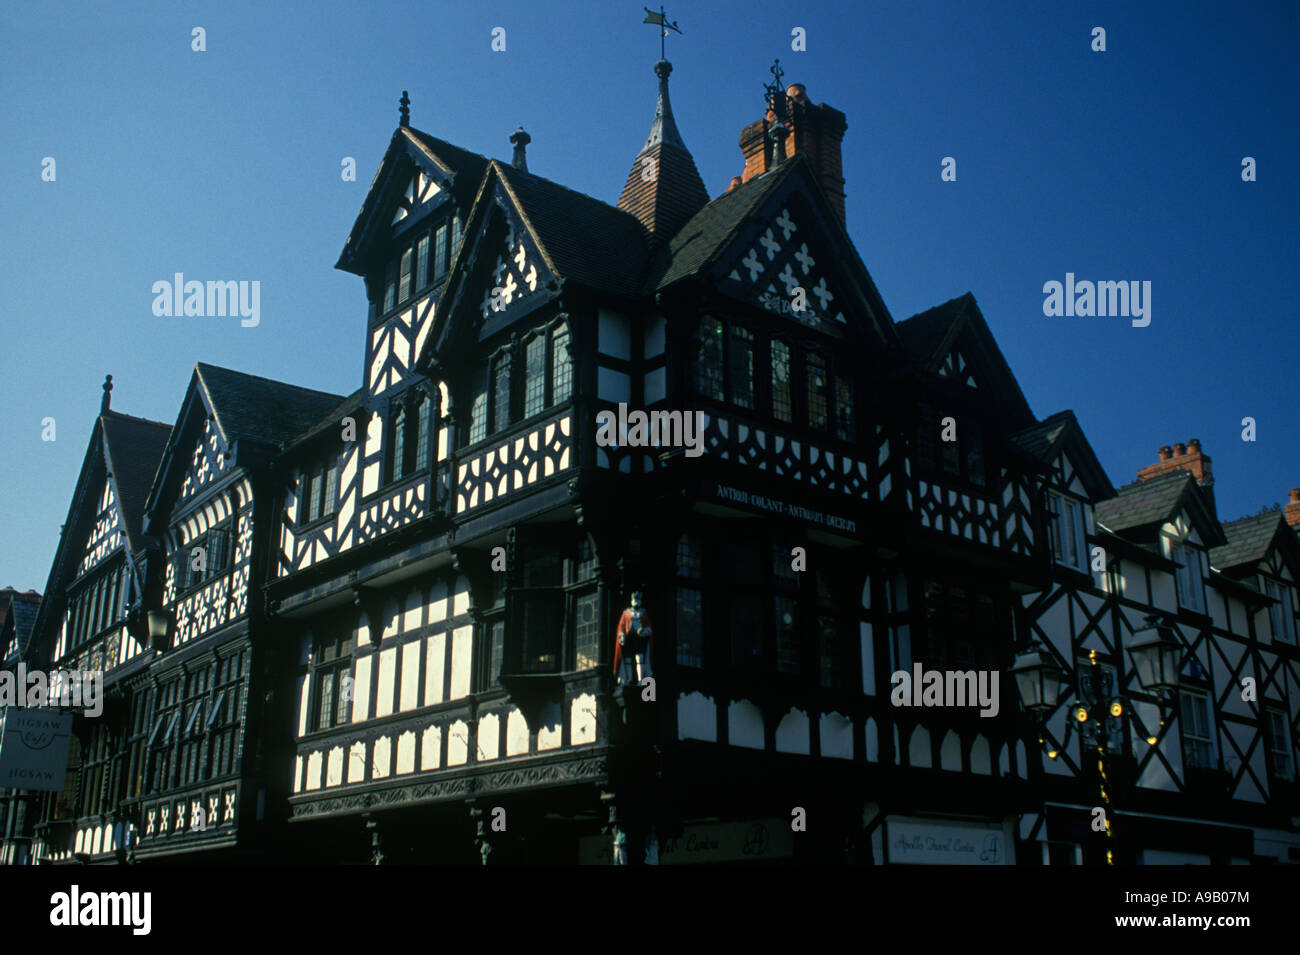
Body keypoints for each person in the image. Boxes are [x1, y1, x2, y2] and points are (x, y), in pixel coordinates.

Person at [612, 591, 653, 685]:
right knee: (627, 659)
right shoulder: (626, 613)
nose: (636, 601)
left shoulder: (643, 613)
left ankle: (640, 680)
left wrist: (644, 630)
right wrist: (622, 634)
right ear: (631, 600)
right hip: (629, 638)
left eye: (638, 599)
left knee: (640, 658)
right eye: (635, 599)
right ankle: (628, 679)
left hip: (639, 639)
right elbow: (621, 626)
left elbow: (649, 627)